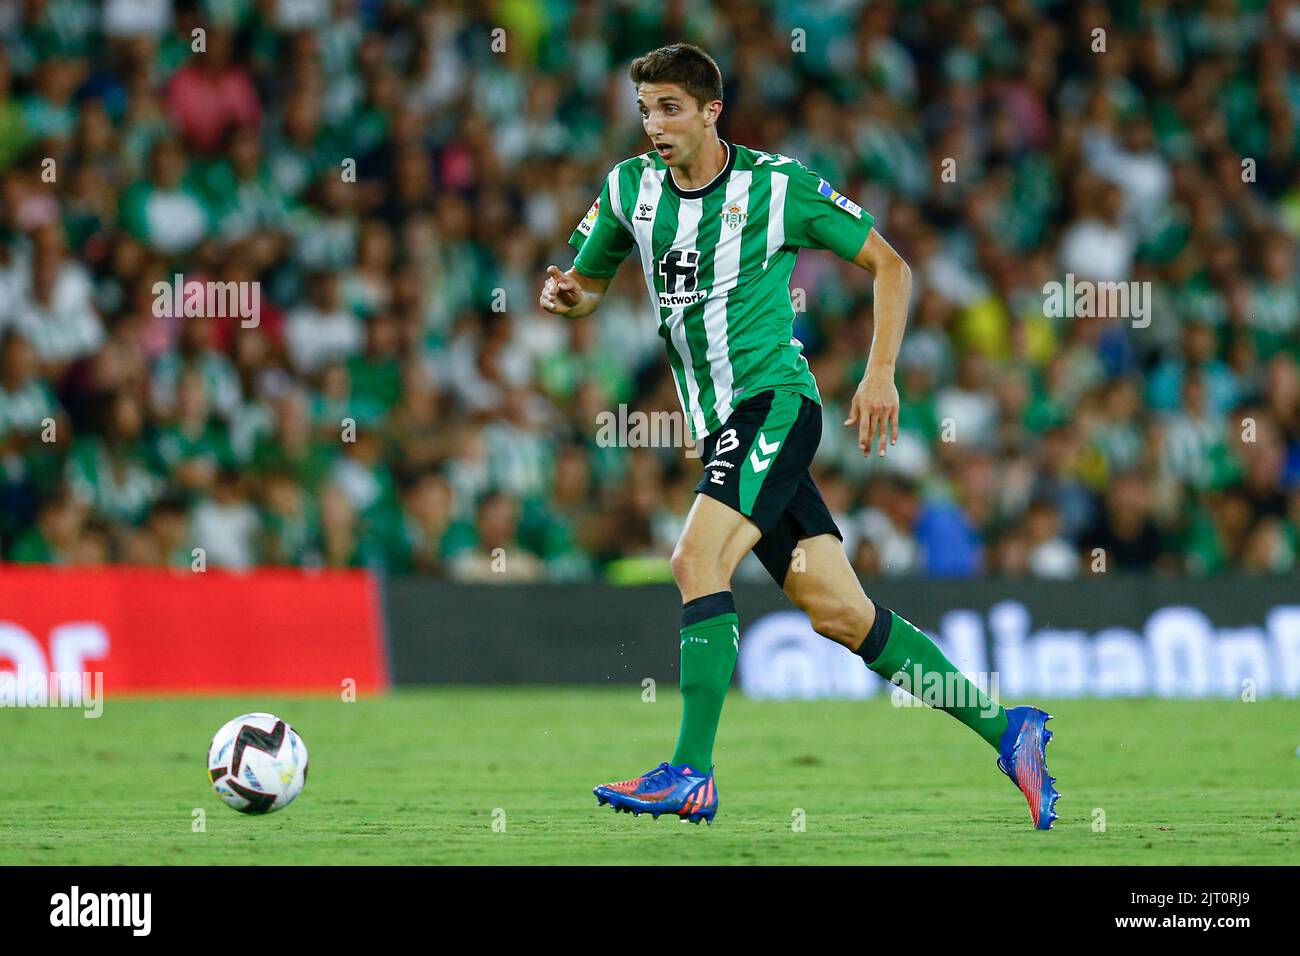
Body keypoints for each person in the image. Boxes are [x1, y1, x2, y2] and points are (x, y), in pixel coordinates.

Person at [539, 43, 1058, 829]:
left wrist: (880, 373)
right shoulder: (627, 189)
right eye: (646, 111)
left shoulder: (776, 187)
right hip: (722, 424)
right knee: (841, 614)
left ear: (712, 112)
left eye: (671, 109)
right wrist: (566, 294)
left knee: (694, 560)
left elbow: (891, 267)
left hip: (774, 406)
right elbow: (589, 287)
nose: (655, 125)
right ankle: (1007, 729)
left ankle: (691, 772)